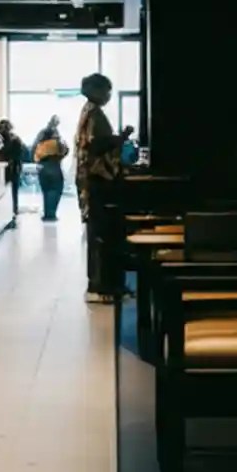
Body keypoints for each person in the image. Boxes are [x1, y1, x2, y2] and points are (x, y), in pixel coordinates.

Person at [75, 73, 134, 302]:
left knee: (99, 234)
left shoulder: (88, 111)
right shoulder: (93, 113)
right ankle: (101, 286)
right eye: (106, 91)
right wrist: (121, 138)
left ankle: (103, 284)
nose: (109, 95)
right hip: (98, 182)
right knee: (102, 235)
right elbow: (96, 145)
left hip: (93, 181)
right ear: (96, 91)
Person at [34, 115, 68, 222]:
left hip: (42, 167)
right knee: (56, 189)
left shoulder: (40, 141)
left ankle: (47, 214)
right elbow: (65, 150)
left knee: (46, 190)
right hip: (54, 166)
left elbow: (34, 153)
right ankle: (51, 214)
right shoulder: (56, 141)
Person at [0, 119, 25, 224]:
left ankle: (11, 211)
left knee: (9, 191)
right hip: (15, 167)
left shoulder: (6, 140)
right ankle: (13, 210)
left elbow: (4, 152)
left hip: (10, 168)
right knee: (13, 191)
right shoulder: (16, 139)